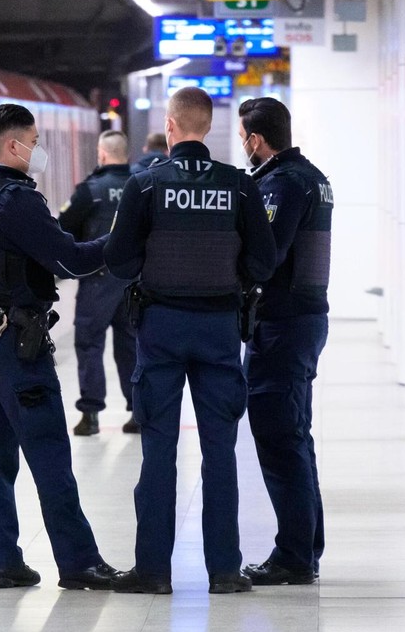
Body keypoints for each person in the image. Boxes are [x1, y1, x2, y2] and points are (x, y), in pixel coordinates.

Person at [104, 87, 276, 595]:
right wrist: (231, 280)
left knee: (158, 449)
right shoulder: (239, 187)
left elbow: (118, 259)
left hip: (159, 327)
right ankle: (224, 570)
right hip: (221, 328)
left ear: (170, 126)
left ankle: (154, 571)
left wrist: (148, 270)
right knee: (220, 449)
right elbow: (263, 263)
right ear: (210, 126)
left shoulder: (145, 185)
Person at [0, 103, 119, 591]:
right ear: (12, 146)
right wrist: (123, 239)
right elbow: (69, 260)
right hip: (17, 344)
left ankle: (3, 562)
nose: (38, 150)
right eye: (34, 140)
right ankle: (79, 563)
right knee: (48, 451)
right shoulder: (17, 199)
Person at [237, 97, 333, 586]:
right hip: (302, 319)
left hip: (283, 326)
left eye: (243, 138)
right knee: (295, 434)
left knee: (278, 436)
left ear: (255, 138)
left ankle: (294, 555)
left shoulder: (281, 184)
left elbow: (266, 257)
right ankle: (304, 546)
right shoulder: (313, 176)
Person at [58, 130, 138, 436]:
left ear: (102, 155)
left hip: (97, 280)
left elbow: (64, 229)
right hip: (132, 280)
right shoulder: (140, 185)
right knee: (130, 344)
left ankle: (91, 414)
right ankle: (137, 412)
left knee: (90, 344)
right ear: (126, 154)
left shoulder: (91, 190)